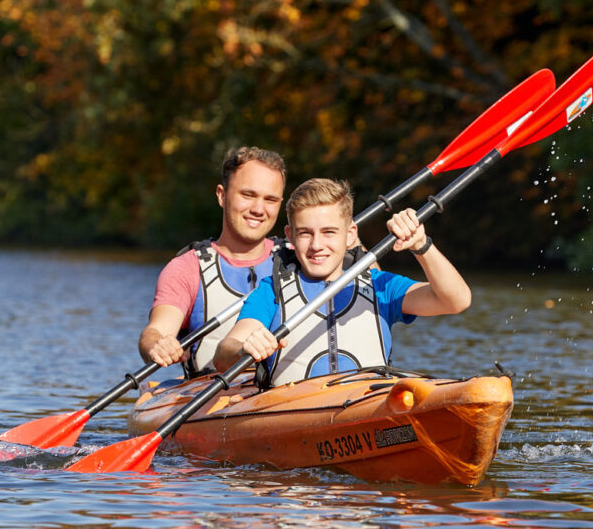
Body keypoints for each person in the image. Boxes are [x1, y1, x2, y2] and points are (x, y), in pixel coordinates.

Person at [213, 178, 471, 387]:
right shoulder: (273, 291)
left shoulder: (379, 286)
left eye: (328, 232)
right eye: (305, 233)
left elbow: (456, 301)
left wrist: (422, 246)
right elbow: (224, 354)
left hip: (368, 410)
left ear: (350, 236)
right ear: (290, 236)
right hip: (295, 415)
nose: (316, 245)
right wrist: (244, 349)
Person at [139, 146, 286, 377]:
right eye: (248, 195)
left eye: (270, 199)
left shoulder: (301, 258)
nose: (259, 209)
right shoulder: (186, 268)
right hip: (212, 395)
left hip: (292, 394)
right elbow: (155, 331)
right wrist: (159, 344)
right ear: (222, 195)